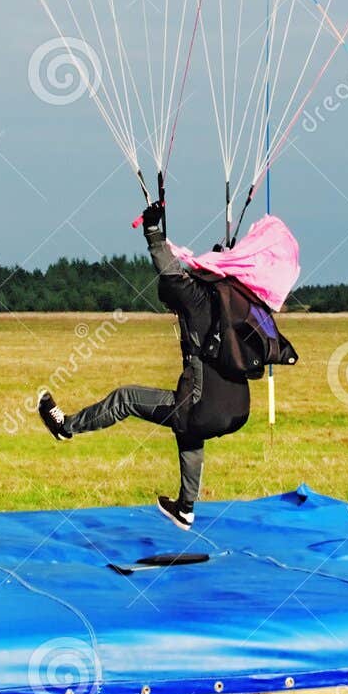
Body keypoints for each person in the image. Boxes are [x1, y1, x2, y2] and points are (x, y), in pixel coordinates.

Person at [38, 202, 250, 529]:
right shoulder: (238, 300)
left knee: (126, 398)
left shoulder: (197, 298)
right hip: (236, 410)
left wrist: (152, 232)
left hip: (202, 406)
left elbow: (171, 276)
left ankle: (66, 427)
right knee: (190, 426)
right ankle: (186, 507)